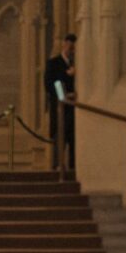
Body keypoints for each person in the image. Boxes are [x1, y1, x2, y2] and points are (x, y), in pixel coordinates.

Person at [43, 33, 77, 173]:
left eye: (73, 48)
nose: (71, 51)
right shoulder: (54, 63)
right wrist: (64, 95)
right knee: (59, 137)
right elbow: (49, 84)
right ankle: (57, 167)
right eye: (70, 47)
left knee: (73, 139)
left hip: (75, 109)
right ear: (64, 45)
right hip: (60, 108)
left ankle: (73, 168)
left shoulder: (77, 63)